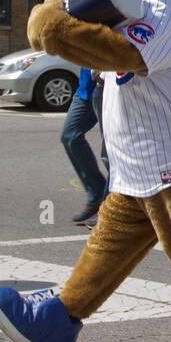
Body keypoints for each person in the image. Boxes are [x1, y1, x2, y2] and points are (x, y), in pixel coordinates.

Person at [60, 67, 108, 227]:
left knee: (109, 153)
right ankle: (96, 194)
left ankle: (110, 208)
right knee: (70, 136)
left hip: (108, 87)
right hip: (85, 88)